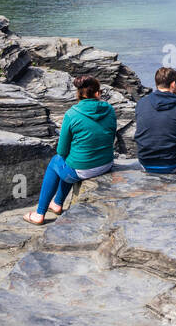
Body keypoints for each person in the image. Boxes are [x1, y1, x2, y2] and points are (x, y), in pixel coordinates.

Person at [24, 75, 117, 225]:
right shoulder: (110, 109)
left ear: (78, 94)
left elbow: (61, 150)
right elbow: (111, 137)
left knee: (57, 161)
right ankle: (57, 203)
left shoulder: (72, 114)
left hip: (84, 169)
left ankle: (39, 213)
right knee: (69, 160)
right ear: (98, 93)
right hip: (106, 164)